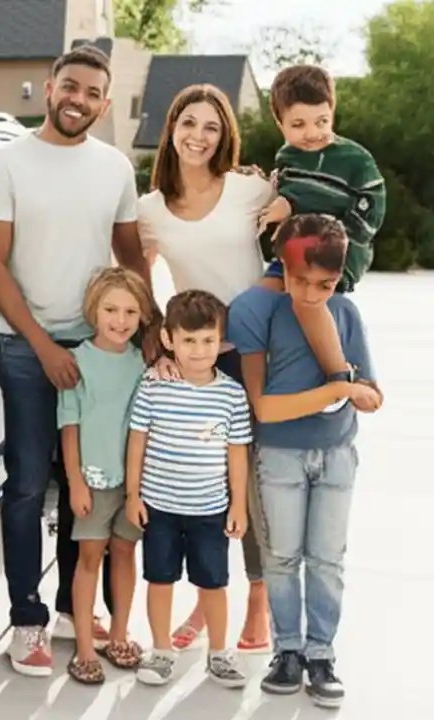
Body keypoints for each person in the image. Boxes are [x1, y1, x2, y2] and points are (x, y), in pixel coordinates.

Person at [0, 44, 158, 677]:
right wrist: (46, 347)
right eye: (68, 86)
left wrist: (148, 331)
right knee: (26, 487)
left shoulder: (114, 169)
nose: (78, 99)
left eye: (91, 93)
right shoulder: (6, 164)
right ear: (49, 88)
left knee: (100, 480)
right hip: (28, 350)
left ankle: (78, 613)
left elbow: (131, 258)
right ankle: (27, 622)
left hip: (101, 349)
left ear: (104, 104)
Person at [136, 83, 275, 654]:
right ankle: (205, 595)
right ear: (171, 128)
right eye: (188, 123)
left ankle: (260, 602)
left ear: (225, 138)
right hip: (201, 357)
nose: (198, 135)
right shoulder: (147, 209)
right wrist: (157, 342)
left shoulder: (250, 188)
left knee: (257, 486)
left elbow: (298, 219)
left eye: (211, 127)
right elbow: (136, 274)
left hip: (261, 353)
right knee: (208, 483)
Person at [227, 213, 382, 708]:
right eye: (301, 281)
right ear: (281, 267)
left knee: (327, 561)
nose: (313, 293)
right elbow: (265, 407)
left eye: (327, 283)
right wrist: (339, 388)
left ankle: (321, 655)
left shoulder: (346, 313)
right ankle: (287, 651)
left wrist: (357, 389)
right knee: (281, 558)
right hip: (279, 456)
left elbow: (373, 394)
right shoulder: (255, 310)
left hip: (337, 454)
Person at [125, 289, 253, 688]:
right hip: (159, 507)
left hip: (210, 509)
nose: (198, 351)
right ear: (169, 339)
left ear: (221, 340)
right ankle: (161, 650)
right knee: (159, 579)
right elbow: (137, 441)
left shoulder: (231, 395)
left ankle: (219, 653)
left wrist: (239, 505)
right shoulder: (153, 385)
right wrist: (133, 494)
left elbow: (237, 453)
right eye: (189, 341)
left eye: (208, 341)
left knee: (213, 582)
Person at [256, 64, 386, 394]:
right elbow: (293, 193)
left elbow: (373, 200)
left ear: (332, 113)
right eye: (298, 125)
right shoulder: (288, 156)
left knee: (306, 300)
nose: (312, 133)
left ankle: (339, 375)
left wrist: (337, 236)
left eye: (322, 121)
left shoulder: (354, 159)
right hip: (296, 251)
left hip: (339, 250)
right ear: (280, 123)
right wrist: (278, 209)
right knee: (257, 297)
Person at [57, 267, 153, 684]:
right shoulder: (78, 361)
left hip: (134, 484)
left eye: (131, 311)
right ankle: (82, 647)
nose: (121, 319)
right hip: (93, 483)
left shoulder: (142, 363)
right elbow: (70, 426)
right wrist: (76, 481)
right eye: (111, 309)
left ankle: (118, 635)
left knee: (126, 553)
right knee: (89, 558)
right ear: (93, 310)